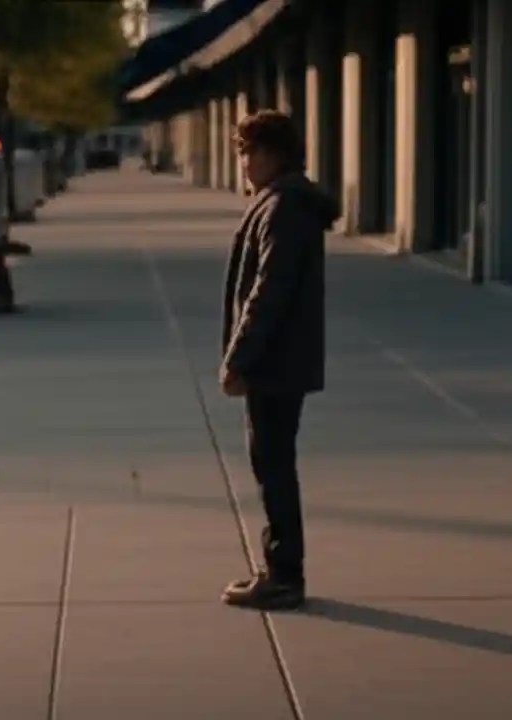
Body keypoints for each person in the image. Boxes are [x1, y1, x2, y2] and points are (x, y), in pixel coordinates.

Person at [219, 110, 339, 610]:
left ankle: (284, 574)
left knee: (272, 464)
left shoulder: (284, 207)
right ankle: (279, 567)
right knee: (271, 462)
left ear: (273, 153)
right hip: (281, 357)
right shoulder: (280, 203)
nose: (243, 162)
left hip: (274, 360)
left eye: (249, 151)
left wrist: (239, 357)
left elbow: (270, 290)